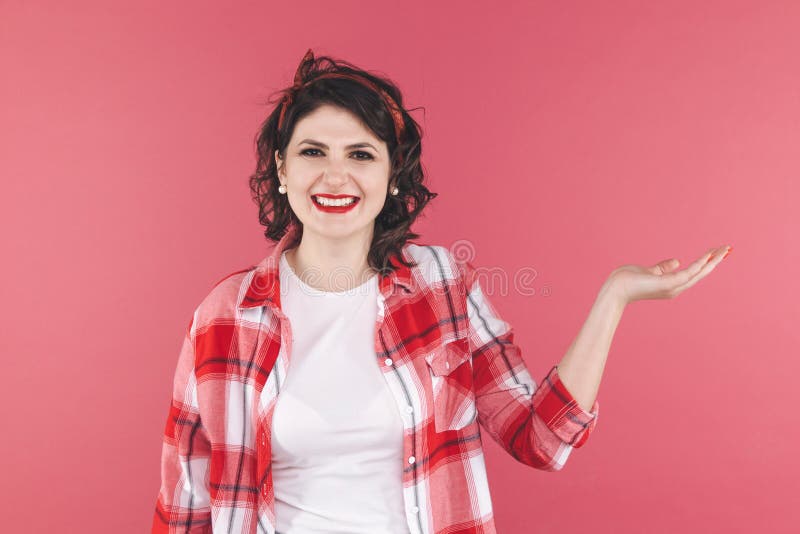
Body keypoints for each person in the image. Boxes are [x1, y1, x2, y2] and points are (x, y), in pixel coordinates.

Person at [152, 48, 732, 534]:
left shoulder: (443, 288)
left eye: (361, 155)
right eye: (312, 152)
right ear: (281, 169)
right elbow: (185, 506)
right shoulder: (223, 316)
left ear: (391, 175)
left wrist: (614, 297)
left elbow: (541, 440)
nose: (335, 177)